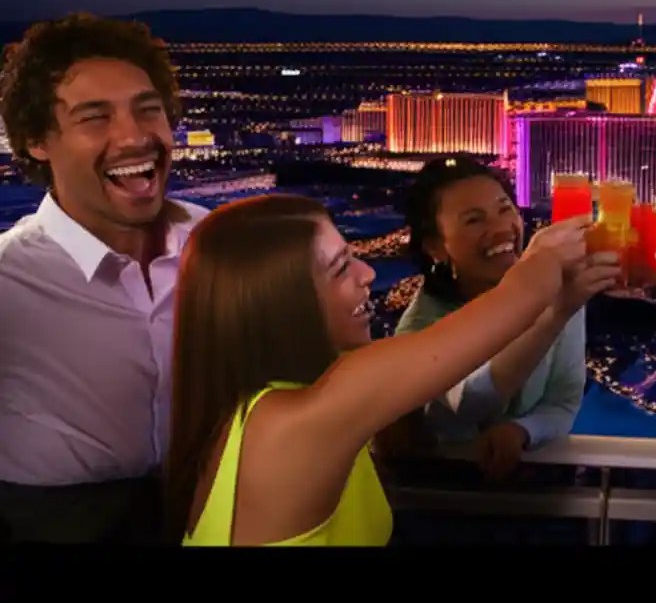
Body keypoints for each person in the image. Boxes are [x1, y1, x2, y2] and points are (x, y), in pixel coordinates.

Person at [167, 194, 611, 546]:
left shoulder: (276, 406)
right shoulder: (292, 423)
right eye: (340, 268)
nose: (366, 272)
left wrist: (559, 301)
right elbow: (503, 313)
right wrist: (546, 258)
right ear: (283, 306)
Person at [0, 13, 206, 543]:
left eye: (149, 110)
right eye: (95, 118)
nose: (134, 136)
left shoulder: (222, 243)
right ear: (35, 141)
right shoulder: (8, 281)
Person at [391, 156, 616, 480]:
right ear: (436, 247)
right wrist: (554, 312)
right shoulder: (422, 329)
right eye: (473, 220)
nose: (499, 229)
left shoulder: (558, 289)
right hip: (441, 499)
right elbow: (467, 405)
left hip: (540, 505)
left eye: (504, 209)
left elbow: (563, 402)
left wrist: (522, 430)